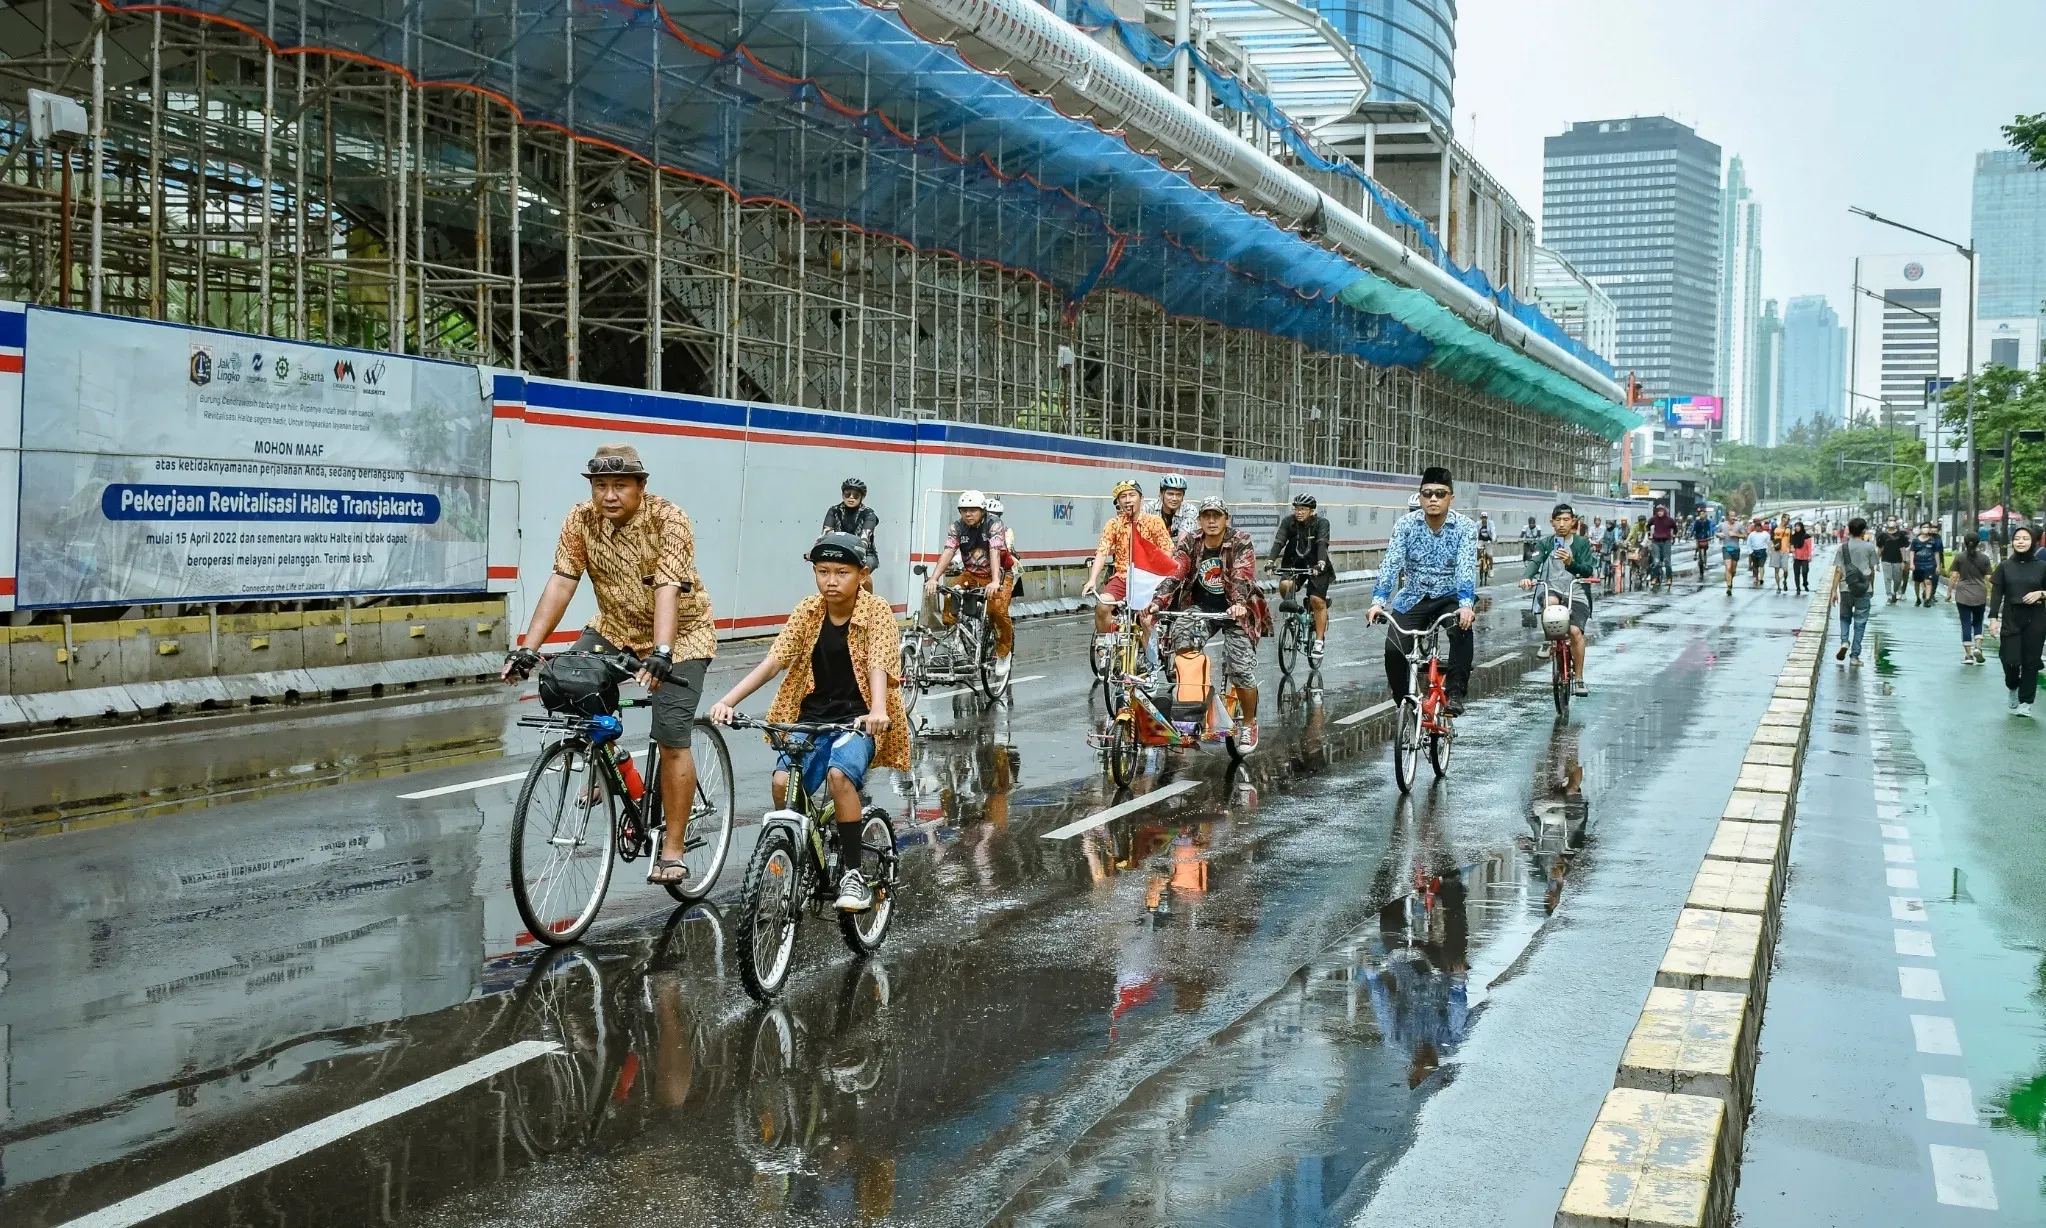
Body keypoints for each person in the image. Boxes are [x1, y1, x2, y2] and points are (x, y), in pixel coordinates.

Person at [502, 443, 717, 887]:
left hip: (681, 633)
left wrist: (661, 652)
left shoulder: (668, 519)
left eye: (620, 485)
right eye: (601, 485)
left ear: (641, 487)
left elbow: (667, 589)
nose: (610, 495)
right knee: (569, 684)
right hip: (614, 627)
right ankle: (607, 765)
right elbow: (563, 581)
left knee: (671, 736)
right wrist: (528, 647)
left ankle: (673, 847)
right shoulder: (580, 519)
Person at [708, 533, 907, 910]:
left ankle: (852, 873)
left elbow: (880, 662)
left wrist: (878, 709)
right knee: (783, 782)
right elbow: (775, 660)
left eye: (842, 572)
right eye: (822, 572)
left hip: (859, 720)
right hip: (812, 718)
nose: (831, 581)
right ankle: (794, 857)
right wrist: (728, 701)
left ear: (862, 574)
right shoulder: (808, 611)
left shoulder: (875, 611)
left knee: (839, 775)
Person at [1150, 495, 1264, 751]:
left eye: (1217, 516)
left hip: (1236, 610)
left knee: (1240, 668)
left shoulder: (1240, 540)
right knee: (1182, 641)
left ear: (1226, 519)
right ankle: (1195, 704)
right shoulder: (1190, 540)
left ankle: (1248, 723)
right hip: (1201, 607)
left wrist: (1237, 603)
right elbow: (1175, 571)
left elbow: (1242, 575)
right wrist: (1158, 601)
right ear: (1200, 520)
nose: (1212, 521)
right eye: (1207, 516)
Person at [1368, 467, 1479, 717]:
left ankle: (1455, 693)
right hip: (1414, 597)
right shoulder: (1406, 525)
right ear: (1420, 497)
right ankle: (1405, 703)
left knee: (1461, 630)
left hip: (1450, 597)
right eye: (1427, 493)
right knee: (1393, 649)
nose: (1433, 499)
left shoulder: (1465, 527)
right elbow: (1391, 563)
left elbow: (1465, 568)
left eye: (1440, 494)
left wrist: (1465, 604)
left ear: (1451, 498)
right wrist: (1378, 602)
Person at [1083, 478, 1175, 642]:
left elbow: (1167, 550)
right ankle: (1106, 645)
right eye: (1123, 496)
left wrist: (1159, 574)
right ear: (1118, 502)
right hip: (1123, 578)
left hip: (1148, 580)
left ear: (1141, 498)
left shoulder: (1154, 522)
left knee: (1146, 619)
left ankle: (1151, 662)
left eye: (1132, 495)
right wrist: (1092, 580)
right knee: (1102, 605)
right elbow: (1102, 552)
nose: (1127, 500)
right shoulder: (1114, 524)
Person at [925, 490, 1012, 662]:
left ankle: (1004, 653)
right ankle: (959, 637)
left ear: (982, 510)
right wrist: (934, 578)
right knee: (951, 594)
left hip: (1000, 575)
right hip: (971, 574)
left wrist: (995, 581)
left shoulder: (994, 524)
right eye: (964, 510)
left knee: (998, 613)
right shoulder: (957, 527)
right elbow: (949, 551)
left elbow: (995, 551)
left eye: (973, 510)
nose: (968, 514)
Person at [1520, 502, 1598, 695]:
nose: (1562, 524)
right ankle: (1549, 641)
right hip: (1553, 590)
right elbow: (1535, 561)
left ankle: (1579, 678)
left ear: (1573, 522)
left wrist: (1570, 563)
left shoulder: (1581, 544)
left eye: (1566, 520)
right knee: (1551, 605)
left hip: (1576, 593)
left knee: (1574, 632)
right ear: (1552, 522)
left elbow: (1588, 569)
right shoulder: (1545, 543)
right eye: (1558, 520)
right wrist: (1527, 578)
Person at [1988, 525, 2046, 717]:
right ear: (2012, 542)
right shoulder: (2005, 566)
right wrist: (1993, 618)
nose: (2021, 542)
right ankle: (2012, 686)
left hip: (2036, 617)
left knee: (2031, 661)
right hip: (2012, 616)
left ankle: (2026, 702)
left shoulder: (2042, 566)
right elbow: (1996, 594)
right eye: (2017, 538)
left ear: (2033, 542)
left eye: (2025, 538)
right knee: (2009, 659)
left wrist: (2041, 593)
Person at [1270, 493, 1333, 659]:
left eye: (1303, 509)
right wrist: (1270, 560)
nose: (1298, 512)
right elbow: (1279, 541)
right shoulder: (1288, 522)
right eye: (1296, 509)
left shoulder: (1321, 523)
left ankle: (1319, 641)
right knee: (1285, 586)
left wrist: (1320, 563)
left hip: (1317, 565)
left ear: (1311, 511)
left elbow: (1321, 544)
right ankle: (1298, 612)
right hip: (1294, 563)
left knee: (1316, 600)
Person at [1835, 517, 1880, 665]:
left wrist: (1833, 591)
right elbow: (1872, 570)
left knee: (1844, 618)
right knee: (1860, 622)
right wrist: (1871, 587)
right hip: (1863, 589)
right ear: (1864, 531)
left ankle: (1844, 642)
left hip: (1845, 587)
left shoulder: (1843, 547)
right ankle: (1854, 656)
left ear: (1849, 530)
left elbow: (1838, 571)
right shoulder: (1869, 547)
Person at [821, 478, 880, 590]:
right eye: (847, 494)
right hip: (838, 551)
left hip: (865, 553)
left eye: (856, 495)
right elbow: (826, 534)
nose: (851, 497)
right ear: (843, 495)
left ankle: (868, 604)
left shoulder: (869, 514)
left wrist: (861, 546)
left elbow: (865, 538)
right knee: (825, 574)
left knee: (863, 574)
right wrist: (816, 549)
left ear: (862, 497)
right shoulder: (834, 511)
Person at [1950, 535, 1993, 666]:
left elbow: (1953, 576)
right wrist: (1996, 594)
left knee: (1965, 623)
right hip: (1980, 593)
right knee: (1978, 622)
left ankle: (1968, 656)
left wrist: (1948, 593)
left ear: (1965, 542)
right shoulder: (1984, 558)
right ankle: (1978, 648)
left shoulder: (1959, 557)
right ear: (1979, 543)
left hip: (1963, 594)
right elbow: (1989, 579)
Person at [1910, 522, 1946, 607]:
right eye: (1924, 527)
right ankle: (1918, 598)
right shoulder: (1915, 541)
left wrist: (1938, 565)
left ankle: (1927, 599)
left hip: (1930, 564)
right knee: (1917, 582)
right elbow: (1912, 552)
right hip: (1918, 564)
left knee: (1928, 581)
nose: (1925, 529)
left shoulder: (1933, 541)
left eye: (1927, 527)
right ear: (1920, 528)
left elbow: (1936, 554)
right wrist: (1912, 563)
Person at [1153, 474, 1197, 541]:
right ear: (1161, 494)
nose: (1174, 498)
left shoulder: (1189, 510)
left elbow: (1184, 538)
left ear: (1183, 497)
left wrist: (1178, 550)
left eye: (1178, 495)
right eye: (1170, 494)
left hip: (1179, 549)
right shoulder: (1150, 508)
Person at [1875, 518, 1910, 604]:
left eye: (1893, 520)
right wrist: (1877, 562)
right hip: (1886, 560)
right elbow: (1880, 548)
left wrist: (1903, 561)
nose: (1891, 522)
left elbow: (1903, 548)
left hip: (1897, 560)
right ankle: (1889, 596)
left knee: (1897, 579)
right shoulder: (1882, 536)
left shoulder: (1901, 535)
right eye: (1889, 520)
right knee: (1887, 578)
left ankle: (1895, 592)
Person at [1646, 503, 1678, 590]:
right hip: (1656, 542)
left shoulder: (1669, 520)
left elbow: (1675, 528)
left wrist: (1674, 535)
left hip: (1666, 542)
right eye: (1658, 511)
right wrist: (1650, 534)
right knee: (1656, 562)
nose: (1660, 513)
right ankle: (1654, 578)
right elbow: (1648, 525)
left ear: (1664, 511)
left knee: (1667, 561)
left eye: (1661, 511)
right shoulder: (1654, 519)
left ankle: (1669, 578)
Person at [1718, 515, 1744, 595]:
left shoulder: (1739, 525)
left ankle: (1730, 580)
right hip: (1726, 548)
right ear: (1728, 517)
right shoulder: (1722, 525)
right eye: (1731, 516)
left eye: (1734, 516)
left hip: (1736, 549)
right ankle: (1729, 586)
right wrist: (1718, 535)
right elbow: (1717, 532)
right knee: (1728, 567)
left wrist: (1736, 535)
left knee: (1733, 570)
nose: (1733, 517)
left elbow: (1745, 536)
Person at [1744, 519, 1772, 589]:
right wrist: (1751, 551)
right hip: (1754, 551)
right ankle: (1756, 577)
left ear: (1760, 527)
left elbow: (1768, 543)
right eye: (1755, 527)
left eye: (1758, 527)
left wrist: (1768, 551)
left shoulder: (1766, 534)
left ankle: (1761, 578)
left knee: (1761, 565)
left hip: (1762, 551)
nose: (1756, 529)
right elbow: (1748, 543)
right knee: (1755, 566)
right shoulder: (1752, 534)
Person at [1790, 520, 1814, 595]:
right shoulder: (1794, 537)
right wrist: (1792, 552)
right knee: (1796, 573)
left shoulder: (1806, 537)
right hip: (1796, 557)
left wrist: (1810, 555)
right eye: (1796, 526)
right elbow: (1792, 546)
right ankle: (1798, 588)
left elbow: (1809, 547)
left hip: (1805, 557)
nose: (1797, 528)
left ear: (1801, 527)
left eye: (1798, 526)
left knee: (1804, 571)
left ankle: (1805, 583)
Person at [1690, 508, 1715, 579]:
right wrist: (1691, 536)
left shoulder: (1708, 522)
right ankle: (1695, 554)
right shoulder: (1697, 522)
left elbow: (1710, 529)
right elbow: (1693, 529)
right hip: (1698, 538)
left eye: (1703, 514)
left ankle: (1705, 563)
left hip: (1705, 538)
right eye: (1701, 514)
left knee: (1705, 550)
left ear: (1705, 515)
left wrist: (1710, 535)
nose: (1702, 515)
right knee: (1697, 547)